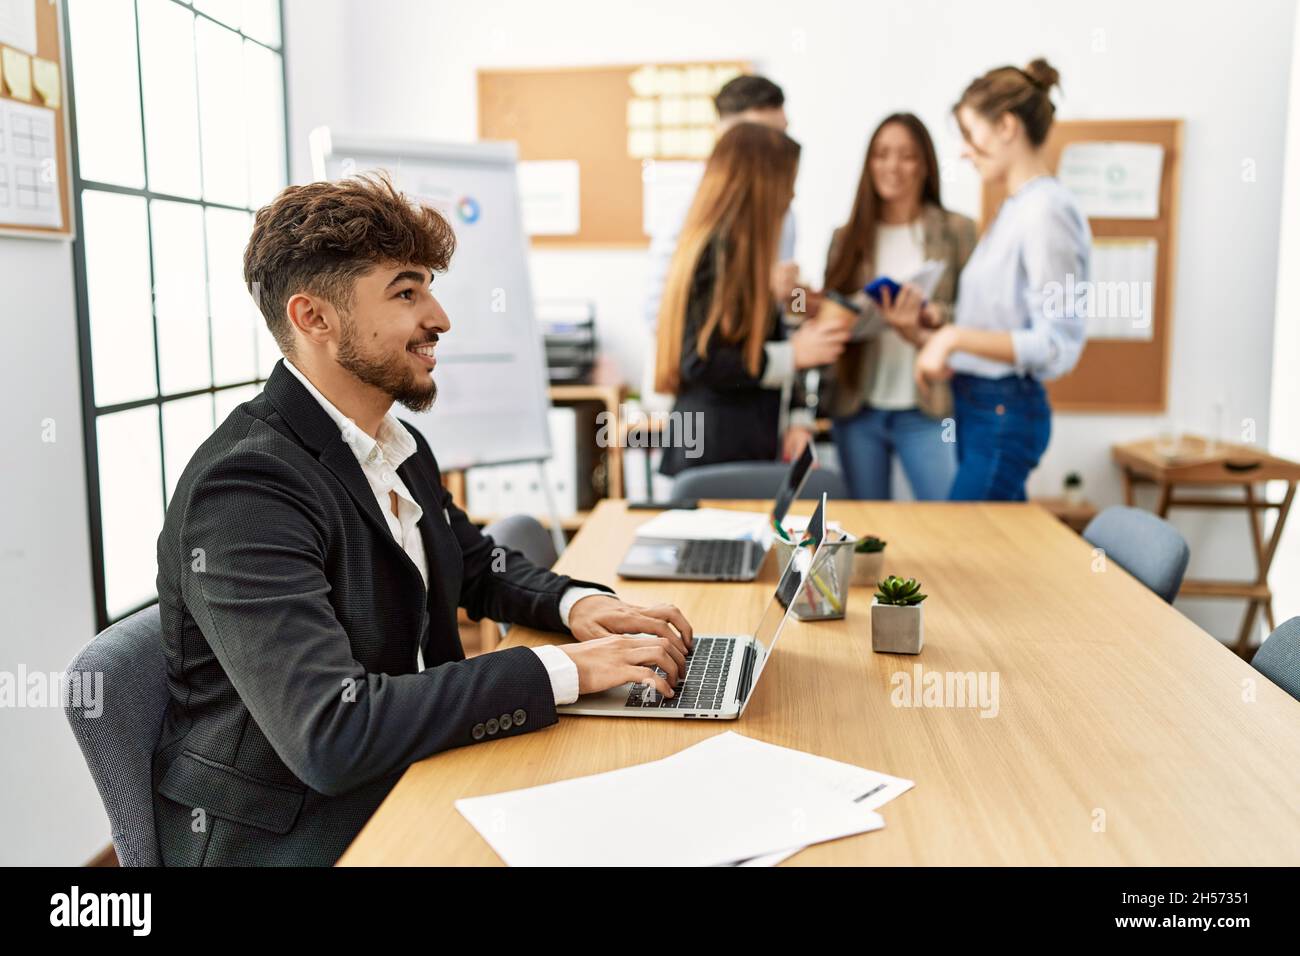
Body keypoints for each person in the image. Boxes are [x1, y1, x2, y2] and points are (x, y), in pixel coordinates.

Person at [152, 174, 696, 866]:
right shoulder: (246, 487)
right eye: (407, 292)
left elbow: (471, 562)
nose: (438, 317)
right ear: (313, 317)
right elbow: (332, 731)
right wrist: (564, 668)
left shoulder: (391, 442)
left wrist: (578, 603)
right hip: (296, 833)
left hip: (412, 771)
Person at [914, 59, 1091, 501]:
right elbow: (1003, 317)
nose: (963, 150)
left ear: (1007, 127)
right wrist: (944, 321)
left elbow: (1054, 344)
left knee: (963, 549)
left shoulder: (1046, 211)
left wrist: (954, 337)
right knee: (991, 553)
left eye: (971, 135)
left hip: (1004, 410)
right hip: (978, 406)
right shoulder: (1016, 208)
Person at [654, 123, 848, 478]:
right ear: (759, 186)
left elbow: (766, 344)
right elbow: (699, 361)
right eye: (786, 184)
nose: (790, 197)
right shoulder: (713, 255)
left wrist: (797, 421)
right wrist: (794, 355)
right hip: (711, 452)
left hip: (746, 444)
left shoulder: (753, 260)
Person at [820, 113, 976, 500]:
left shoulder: (958, 230)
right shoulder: (846, 237)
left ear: (925, 165)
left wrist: (934, 314)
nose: (892, 166)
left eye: (906, 156)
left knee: (947, 518)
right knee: (865, 528)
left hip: (928, 407)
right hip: (858, 406)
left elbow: (977, 317)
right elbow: (827, 318)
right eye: (882, 154)